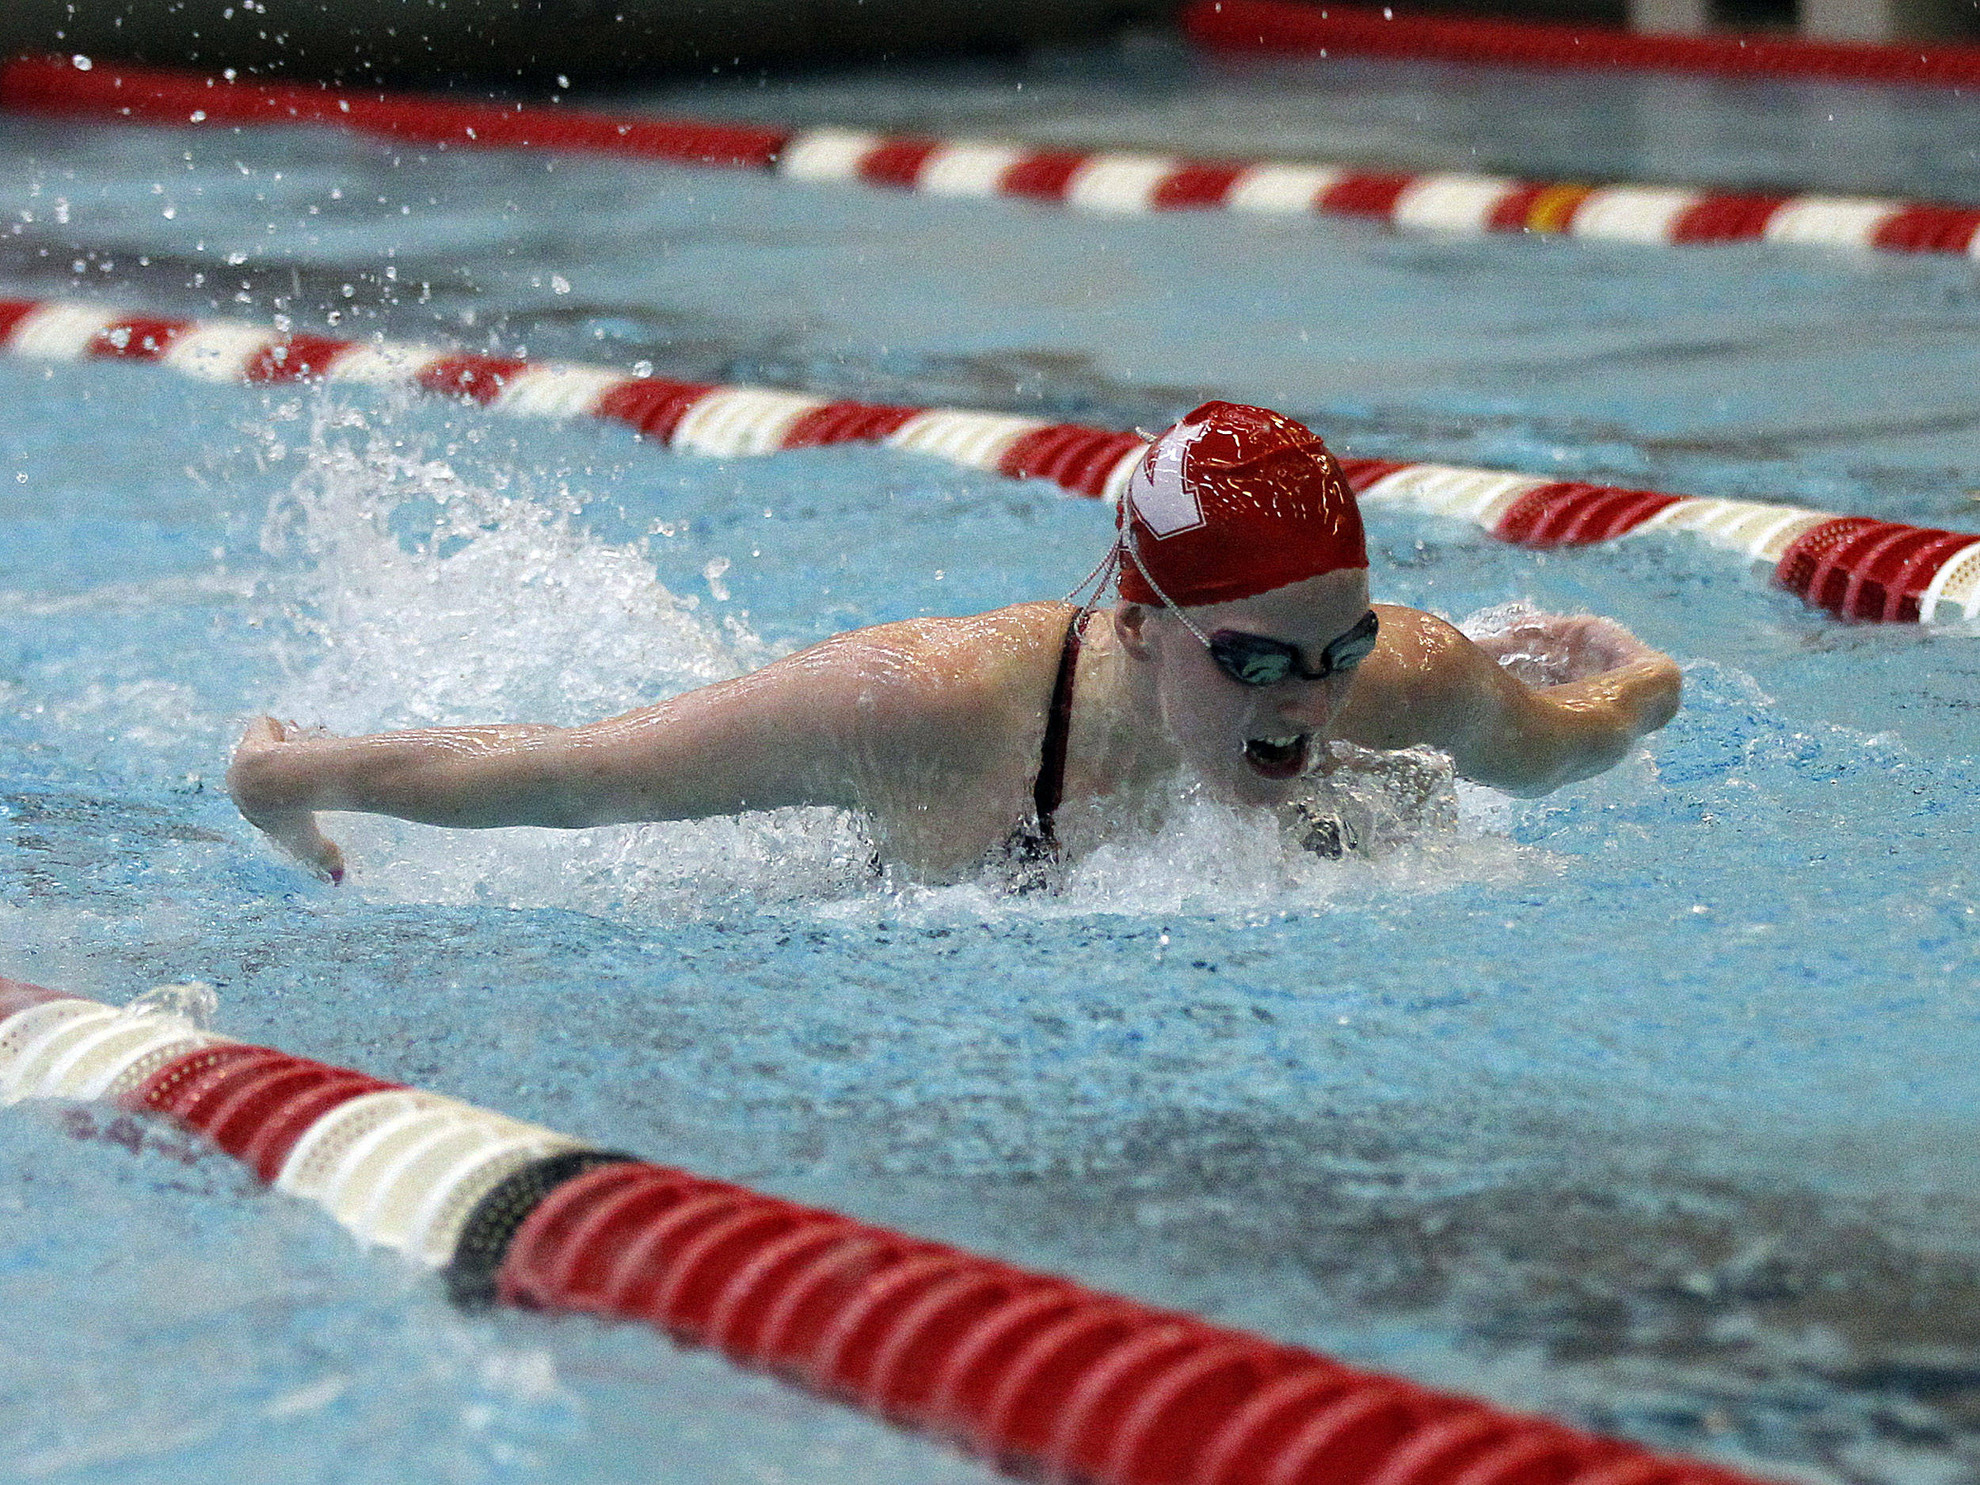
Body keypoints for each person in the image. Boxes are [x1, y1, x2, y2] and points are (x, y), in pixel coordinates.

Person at [228, 402, 1682, 884]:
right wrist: (292, 775)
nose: (1310, 700)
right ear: (1140, 625)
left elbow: (1567, 747)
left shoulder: (1402, 678)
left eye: (1337, 650)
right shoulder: (924, 709)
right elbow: (575, 776)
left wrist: (1642, 682)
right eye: (1257, 661)